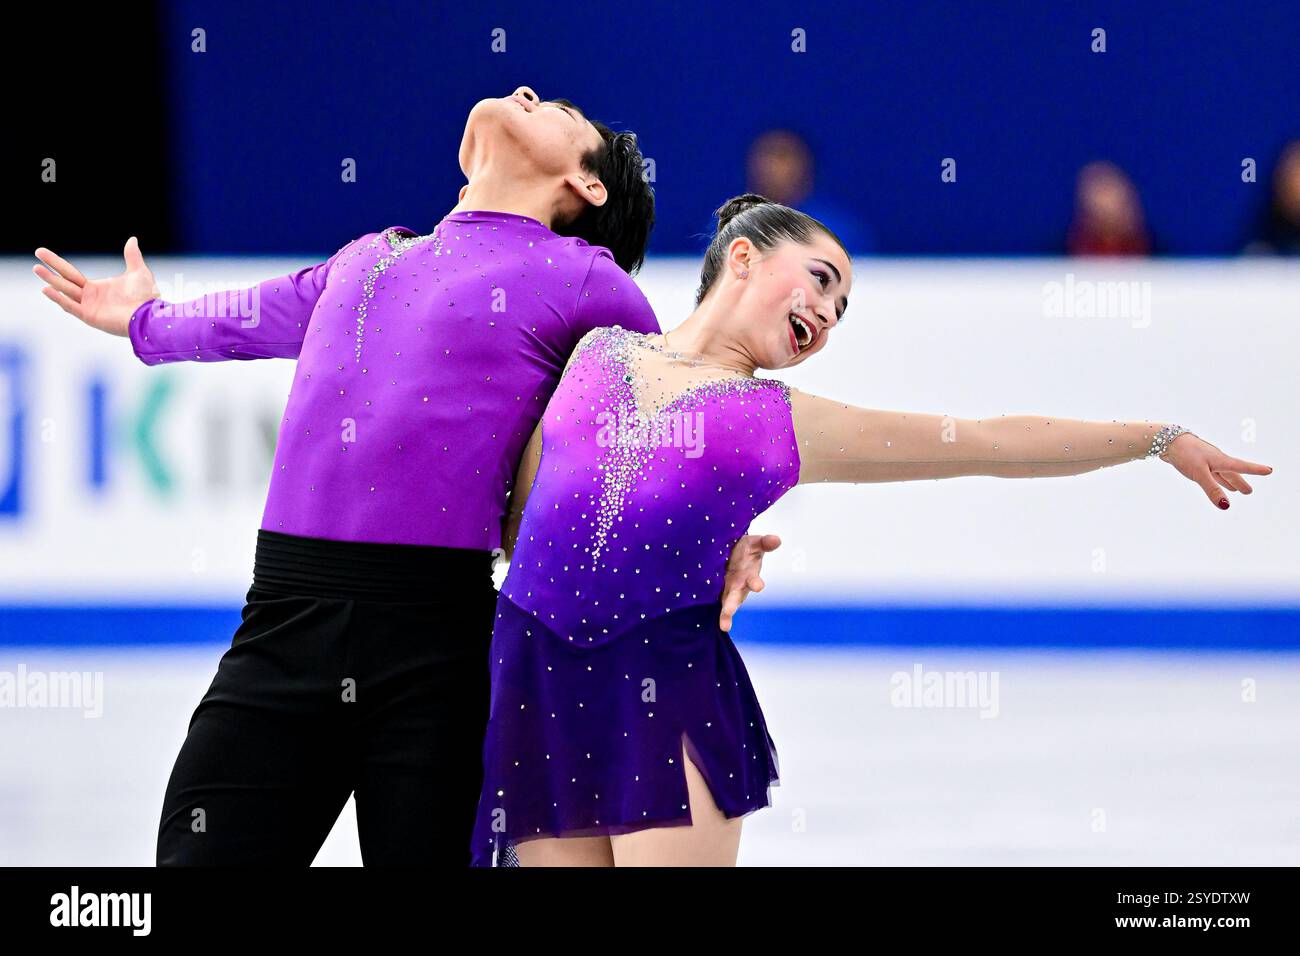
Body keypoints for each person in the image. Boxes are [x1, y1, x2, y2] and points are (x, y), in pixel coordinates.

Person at [31, 87, 771, 866]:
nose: (526, 92)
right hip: (283, 625)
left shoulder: (590, 281)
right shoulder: (368, 257)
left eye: (555, 109)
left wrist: (720, 537)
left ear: (587, 186)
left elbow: (652, 434)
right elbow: (244, 317)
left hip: (440, 650)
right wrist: (146, 320)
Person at [470, 193, 1273, 867]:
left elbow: (988, 441)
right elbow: (524, 510)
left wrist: (1154, 438)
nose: (826, 312)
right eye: (821, 281)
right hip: (538, 672)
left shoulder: (780, 421)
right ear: (743, 257)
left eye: (841, 309)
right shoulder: (596, 353)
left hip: (666, 687)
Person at [1066, 161, 1152, 256]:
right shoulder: (1058, 258)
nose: (1106, 207)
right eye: (1100, 194)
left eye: (1112, 196)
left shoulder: (1160, 257)